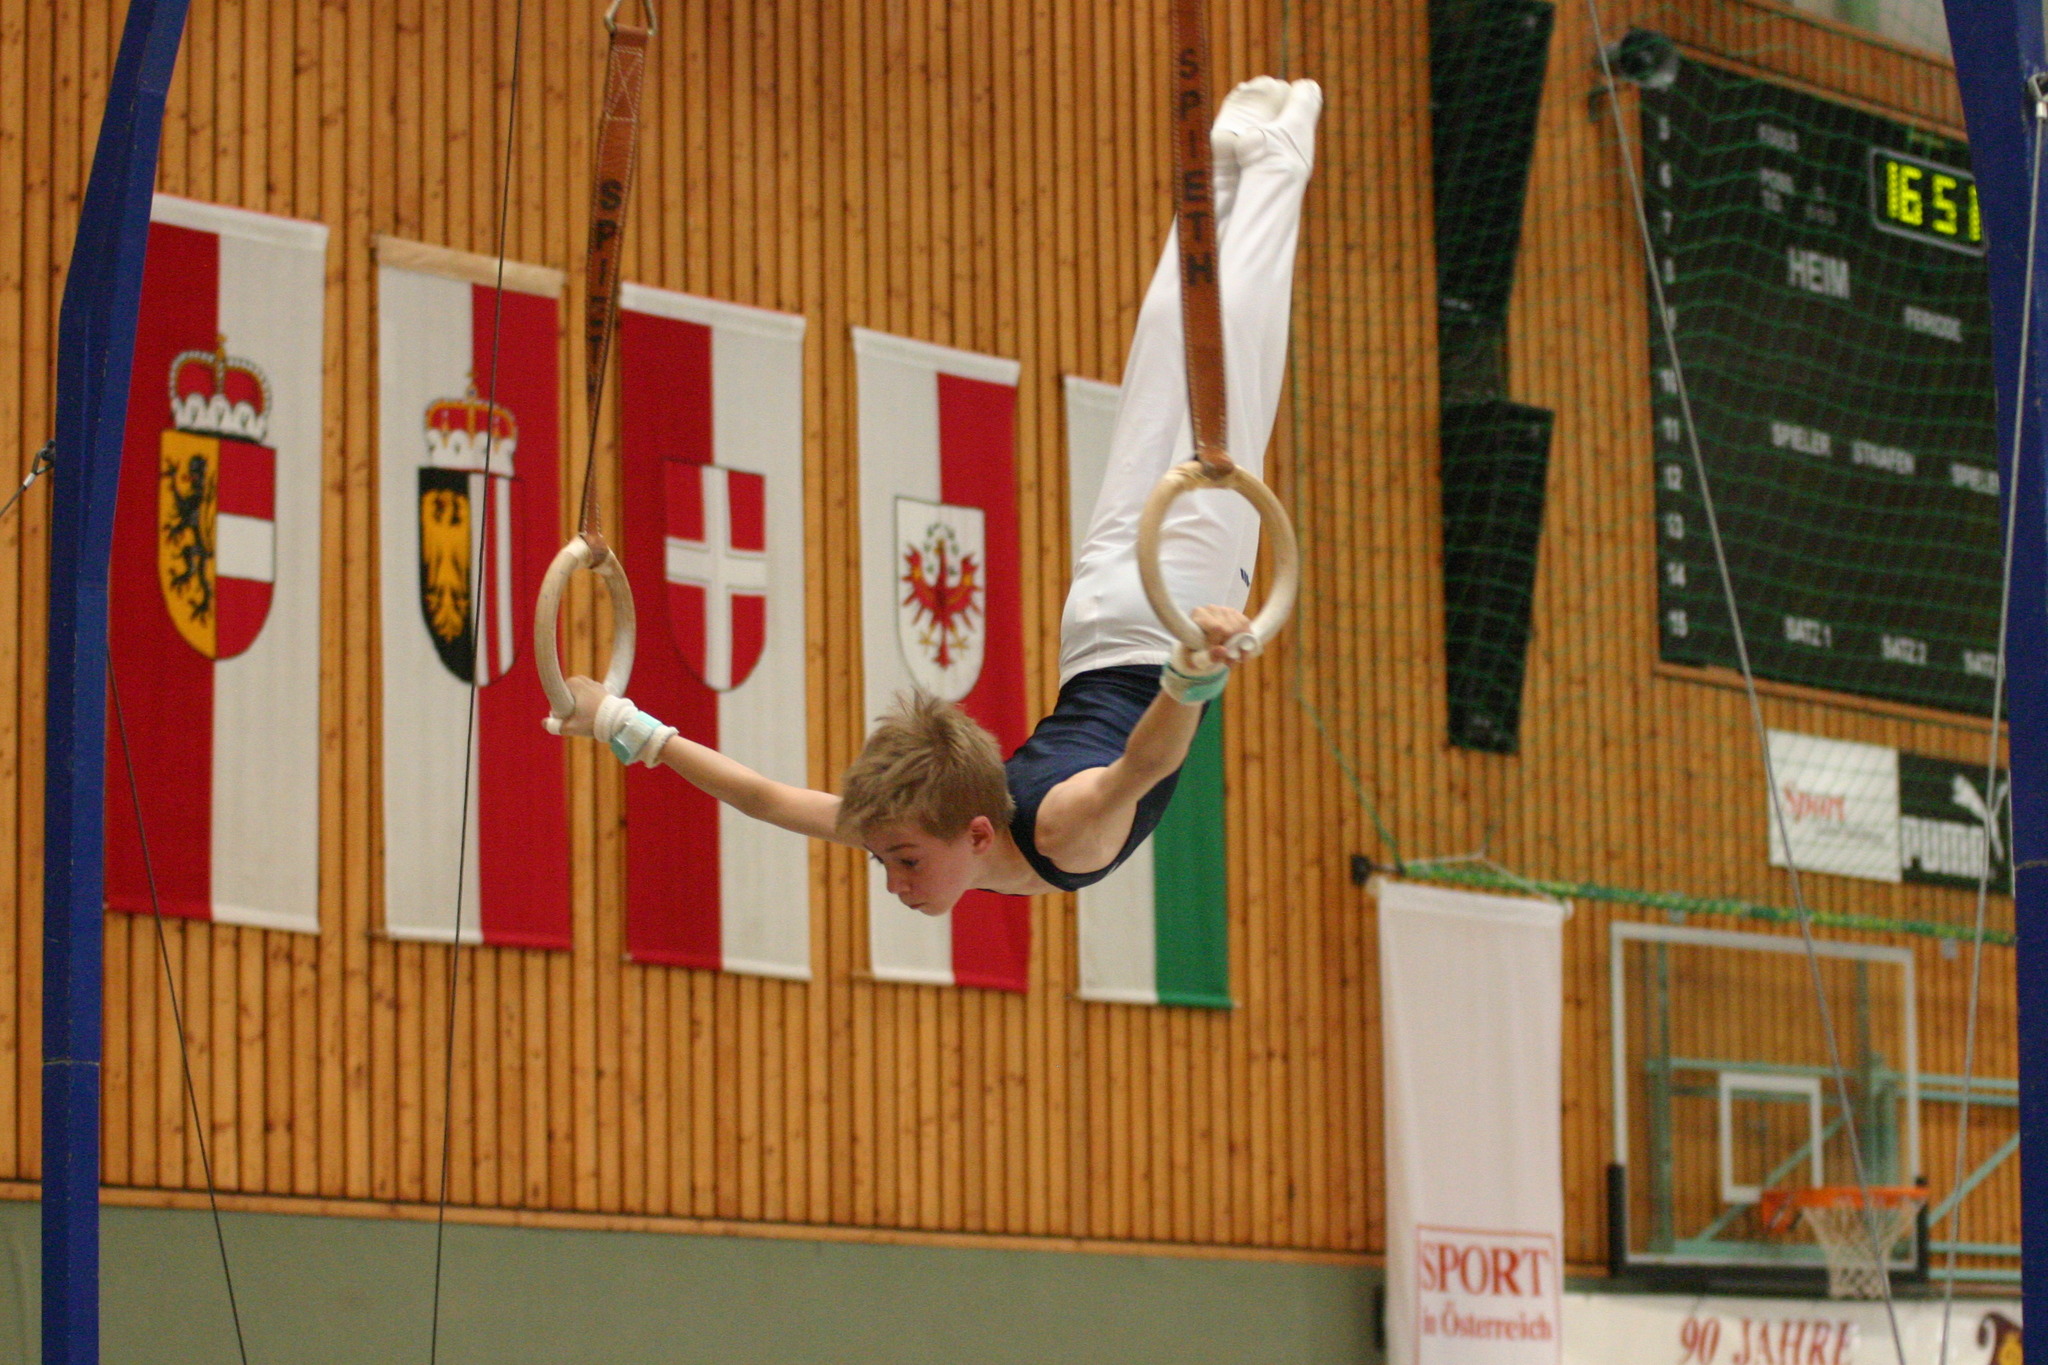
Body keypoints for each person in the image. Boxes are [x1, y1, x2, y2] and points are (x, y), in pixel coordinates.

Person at [558, 74, 1321, 918]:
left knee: (1214, 402)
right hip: (1127, 624)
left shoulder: (1046, 833)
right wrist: (1189, 675)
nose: (894, 880)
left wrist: (621, 724)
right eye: (898, 862)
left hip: (1150, 625)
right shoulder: (997, 825)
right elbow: (1140, 764)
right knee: (1187, 392)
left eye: (897, 862)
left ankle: (1266, 167)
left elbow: (768, 799)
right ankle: (1234, 171)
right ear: (979, 834)